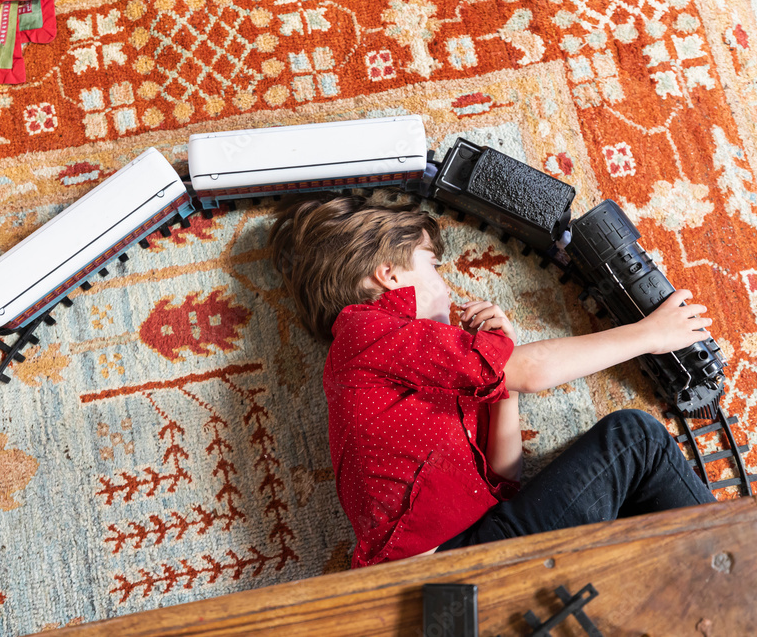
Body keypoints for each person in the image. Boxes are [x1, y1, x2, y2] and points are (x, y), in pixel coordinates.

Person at [267, 189, 718, 569]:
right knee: (634, 438)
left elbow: (506, 475)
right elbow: (532, 370)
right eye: (434, 268)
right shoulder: (365, 330)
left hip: (473, 553)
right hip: (449, 567)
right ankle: (734, 566)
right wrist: (648, 335)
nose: (446, 287)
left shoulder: (408, 370)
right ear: (388, 275)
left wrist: (503, 388)